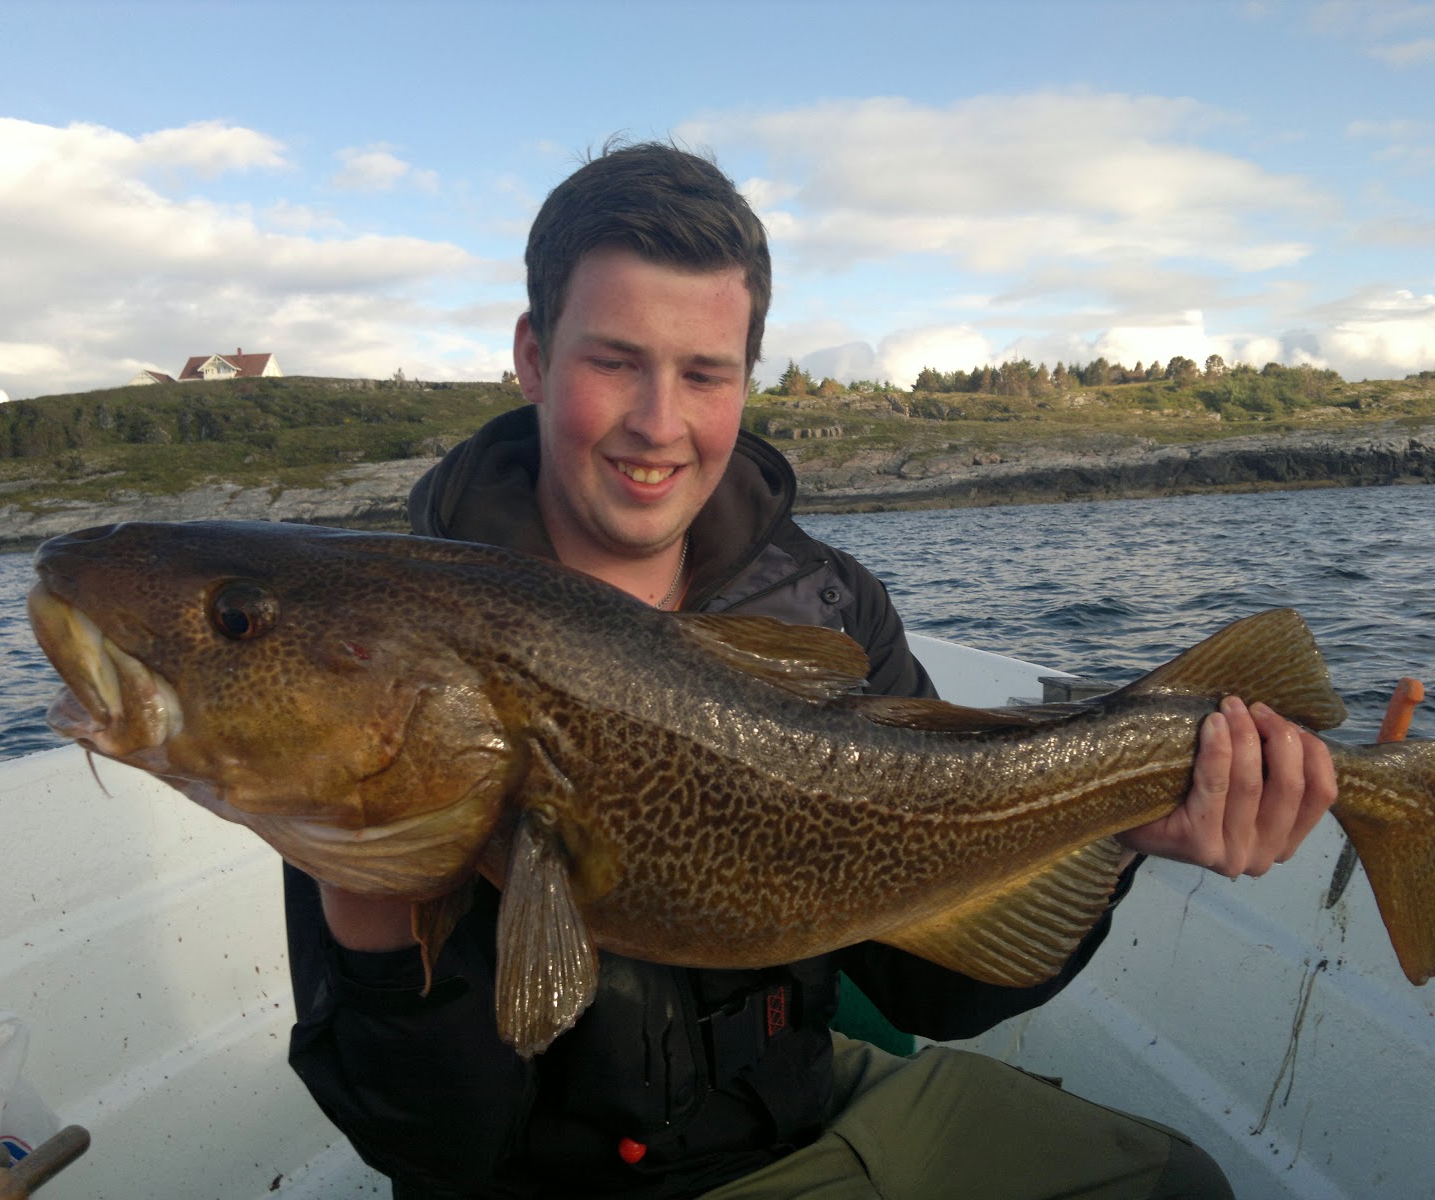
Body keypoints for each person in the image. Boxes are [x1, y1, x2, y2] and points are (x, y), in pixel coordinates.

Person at [282, 141, 1338, 1200]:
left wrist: (1118, 834)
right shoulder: (395, 656)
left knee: (1177, 1186)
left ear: (747, 376)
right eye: (614, 361)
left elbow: (929, 994)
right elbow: (437, 1152)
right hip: (561, 1179)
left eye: (704, 374)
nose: (658, 423)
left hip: (803, 1103)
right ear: (532, 356)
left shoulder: (830, 603)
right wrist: (371, 915)